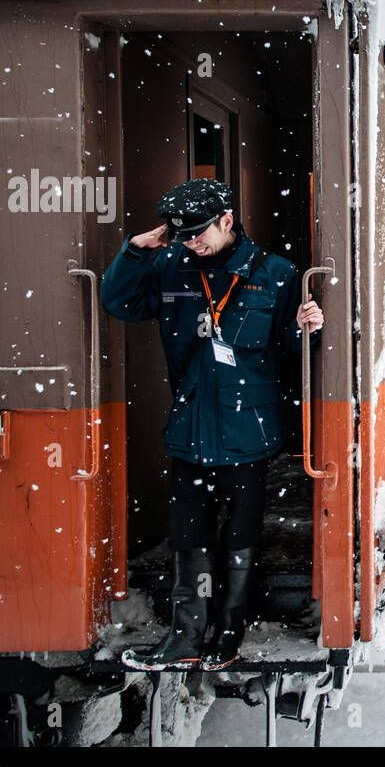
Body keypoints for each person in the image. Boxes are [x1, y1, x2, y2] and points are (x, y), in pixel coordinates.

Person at [102, 178, 323, 671]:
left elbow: (293, 351)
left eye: (198, 232)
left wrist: (309, 324)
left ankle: (228, 628)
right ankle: (185, 633)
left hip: (249, 431)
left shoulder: (275, 273)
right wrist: (137, 251)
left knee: (240, 534)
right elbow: (121, 304)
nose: (191, 243)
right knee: (188, 534)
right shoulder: (169, 266)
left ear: (227, 220)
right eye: (181, 235)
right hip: (191, 428)